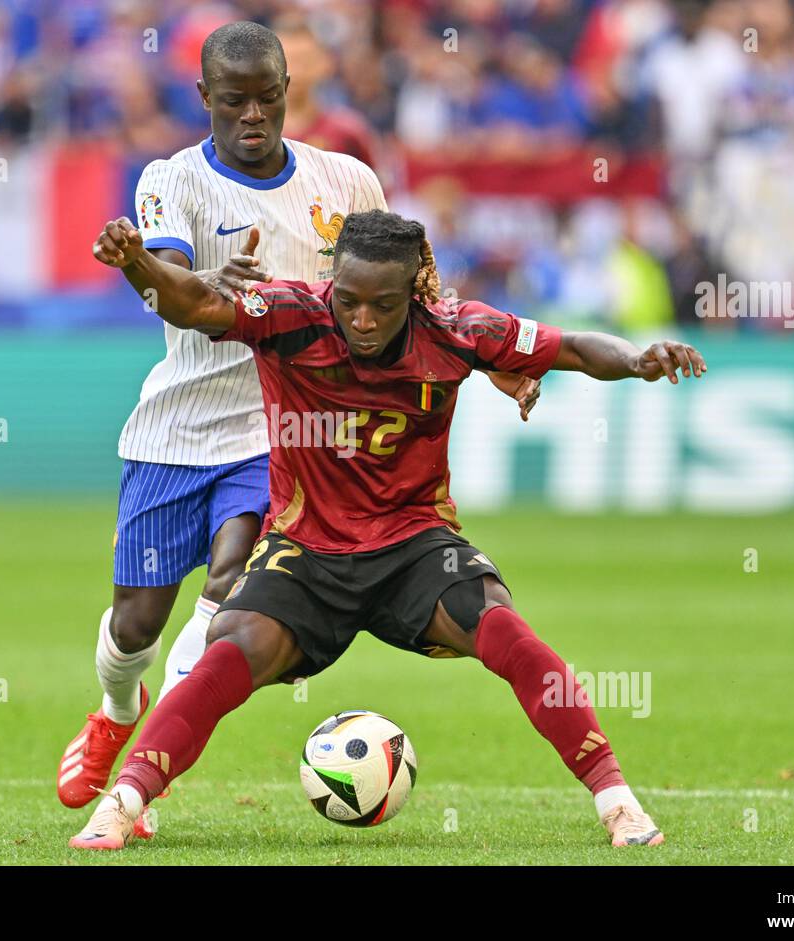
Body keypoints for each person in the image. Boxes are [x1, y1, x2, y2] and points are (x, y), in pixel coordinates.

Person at [76, 208, 707, 851]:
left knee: (508, 634)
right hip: (305, 550)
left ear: (414, 292)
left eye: (383, 305)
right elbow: (195, 305)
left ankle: (618, 803)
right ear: (333, 286)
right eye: (349, 301)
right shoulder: (290, 316)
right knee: (228, 650)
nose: (364, 320)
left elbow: (570, 347)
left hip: (415, 547)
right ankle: (121, 804)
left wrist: (638, 357)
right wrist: (137, 261)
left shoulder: (460, 330)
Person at [57, 22, 540, 832]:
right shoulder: (170, 181)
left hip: (287, 425)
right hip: (177, 427)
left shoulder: (346, 179)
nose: (254, 115)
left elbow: (412, 290)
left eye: (269, 98)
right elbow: (169, 284)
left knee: (227, 584)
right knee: (136, 620)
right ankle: (114, 711)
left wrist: (488, 359)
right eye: (236, 101)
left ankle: (140, 785)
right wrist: (199, 276)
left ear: (288, 93)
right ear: (205, 98)